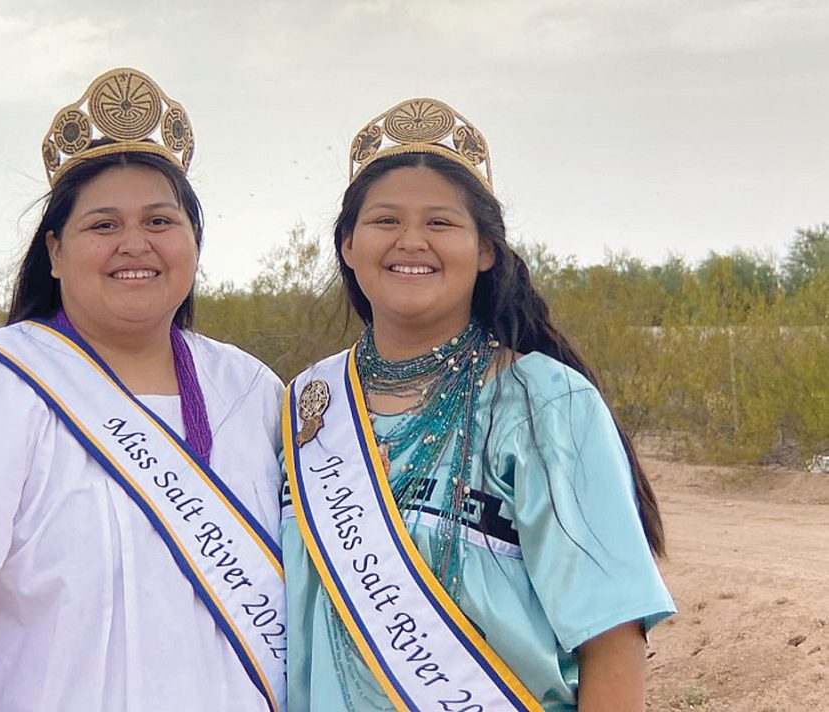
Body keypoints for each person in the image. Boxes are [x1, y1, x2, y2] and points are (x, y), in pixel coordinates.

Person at [0, 68, 286, 712]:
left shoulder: (252, 390)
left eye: (159, 220)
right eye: (103, 225)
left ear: (193, 244)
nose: (134, 244)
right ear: (56, 253)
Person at [281, 98, 675, 711]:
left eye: (440, 222)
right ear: (348, 244)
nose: (411, 241)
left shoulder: (545, 404)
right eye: (385, 220)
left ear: (486, 249)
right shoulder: (309, 408)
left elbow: (612, 640)